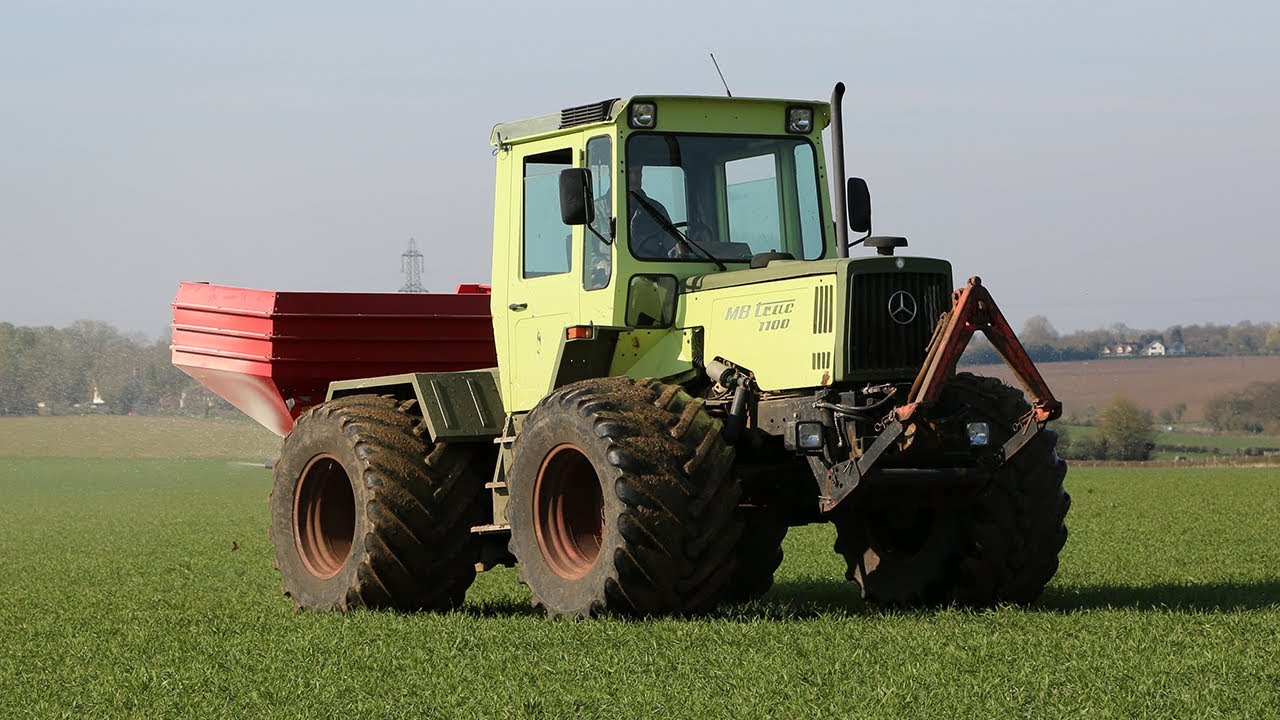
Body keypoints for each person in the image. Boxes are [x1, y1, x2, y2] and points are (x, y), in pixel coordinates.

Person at [626, 162, 678, 258]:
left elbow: (672, 245)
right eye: (628, 173)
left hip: (650, 269)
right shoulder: (598, 210)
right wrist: (600, 263)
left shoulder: (656, 210)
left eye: (638, 173)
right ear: (612, 175)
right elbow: (591, 251)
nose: (634, 179)